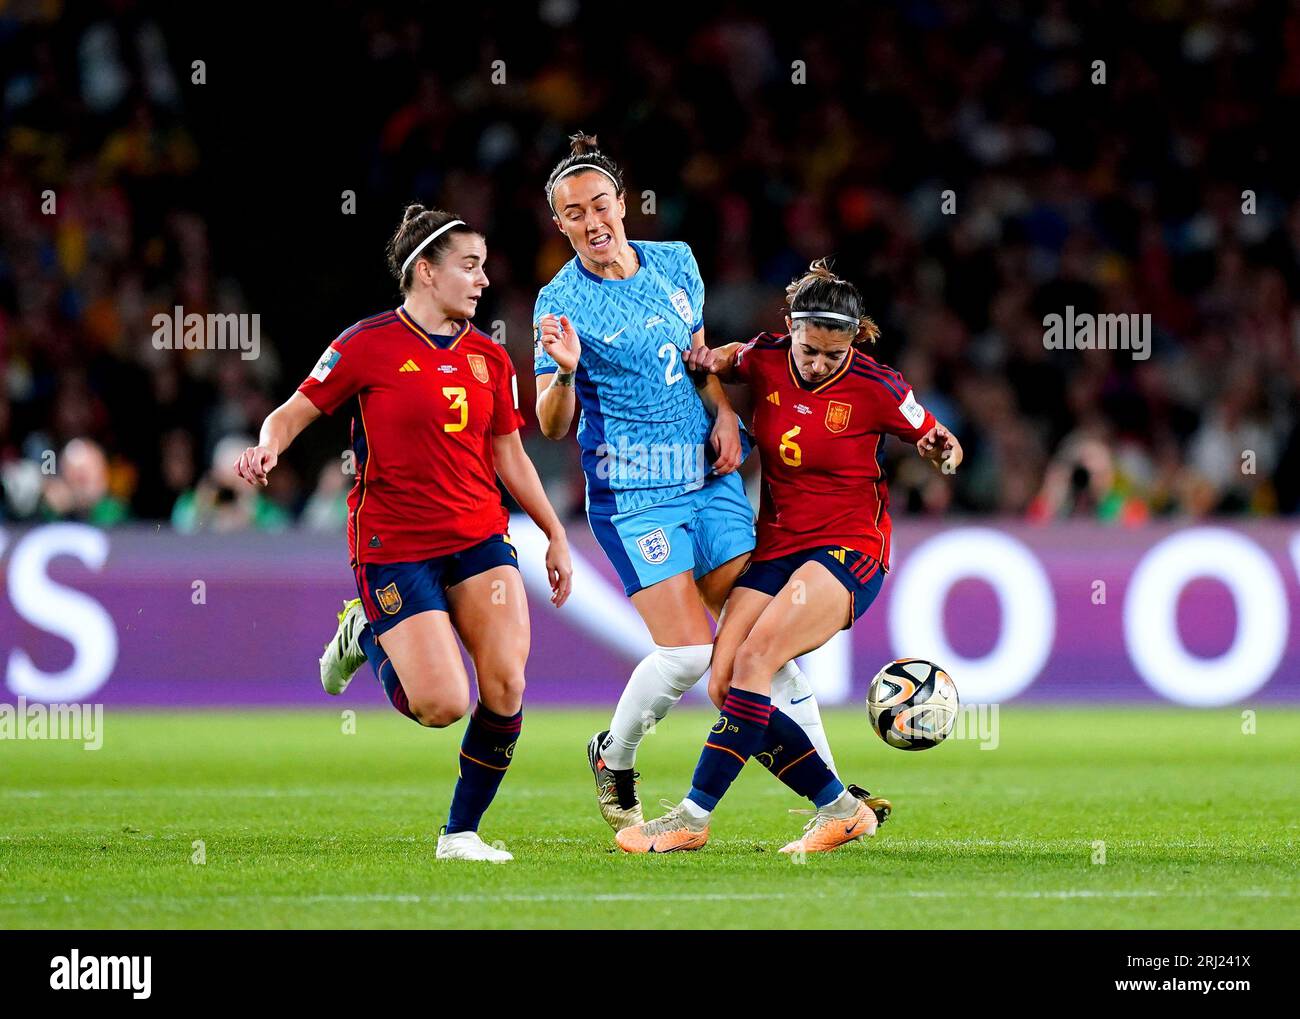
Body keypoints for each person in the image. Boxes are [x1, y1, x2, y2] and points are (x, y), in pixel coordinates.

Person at [235, 205, 572, 862]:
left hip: (479, 537)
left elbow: (510, 454)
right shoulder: (366, 344)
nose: (482, 280)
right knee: (444, 704)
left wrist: (555, 532)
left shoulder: (490, 357)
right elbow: (294, 410)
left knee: (505, 684)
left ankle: (461, 833)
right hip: (395, 546)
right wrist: (266, 447)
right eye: (468, 266)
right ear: (427, 270)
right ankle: (366, 631)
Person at [533, 133, 843, 830]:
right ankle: (615, 754)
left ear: (621, 202)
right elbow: (552, 424)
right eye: (574, 213)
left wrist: (726, 415)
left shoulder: (676, 262)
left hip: (708, 481)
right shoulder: (558, 303)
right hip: (636, 494)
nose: (592, 222)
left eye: (600, 204)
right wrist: (563, 371)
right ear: (560, 223)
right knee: (684, 655)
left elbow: (698, 357)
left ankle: (836, 799)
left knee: (767, 642)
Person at [616, 259, 963, 854]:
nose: (819, 363)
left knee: (755, 660)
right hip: (777, 547)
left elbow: (944, 445)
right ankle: (841, 808)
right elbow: (724, 357)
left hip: (847, 549)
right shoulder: (768, 356)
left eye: (834, 354)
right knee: (724, 686)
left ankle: (691, 818)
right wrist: (710, 365)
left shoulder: (880, 388)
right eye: (809, 350)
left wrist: (941, 452)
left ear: (854, 340)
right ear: (791, 329)